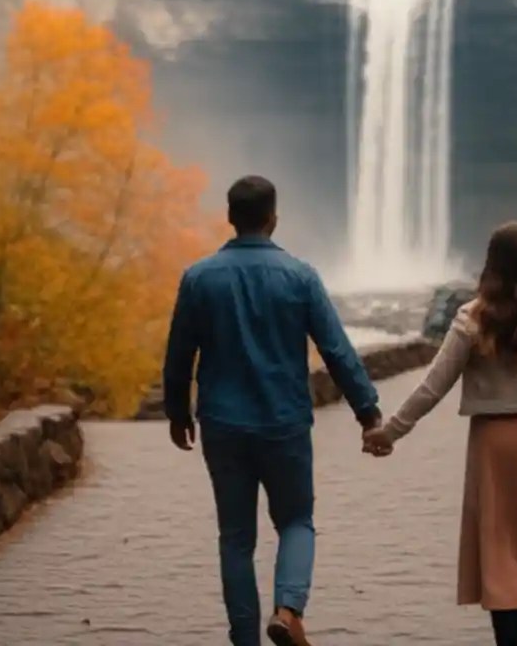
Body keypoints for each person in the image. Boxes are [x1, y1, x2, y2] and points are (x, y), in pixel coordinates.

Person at [162, 175, 384, 646]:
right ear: (273, 219)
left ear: (230, 218)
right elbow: (336, 350)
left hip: (222, 423)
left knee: (236, 537)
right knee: (296, 521)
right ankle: (288, 610)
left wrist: (178, 412)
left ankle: (245, 638)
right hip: (283, 423)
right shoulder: (300, 276)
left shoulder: (199, 278)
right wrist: (368, 411)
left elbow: (180, 353)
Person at [362, 222, 517, 646]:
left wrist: (390, 432)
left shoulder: (473, 318)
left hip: (495, 446)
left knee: (502, 553)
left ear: (492, 265)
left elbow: (433, 385)